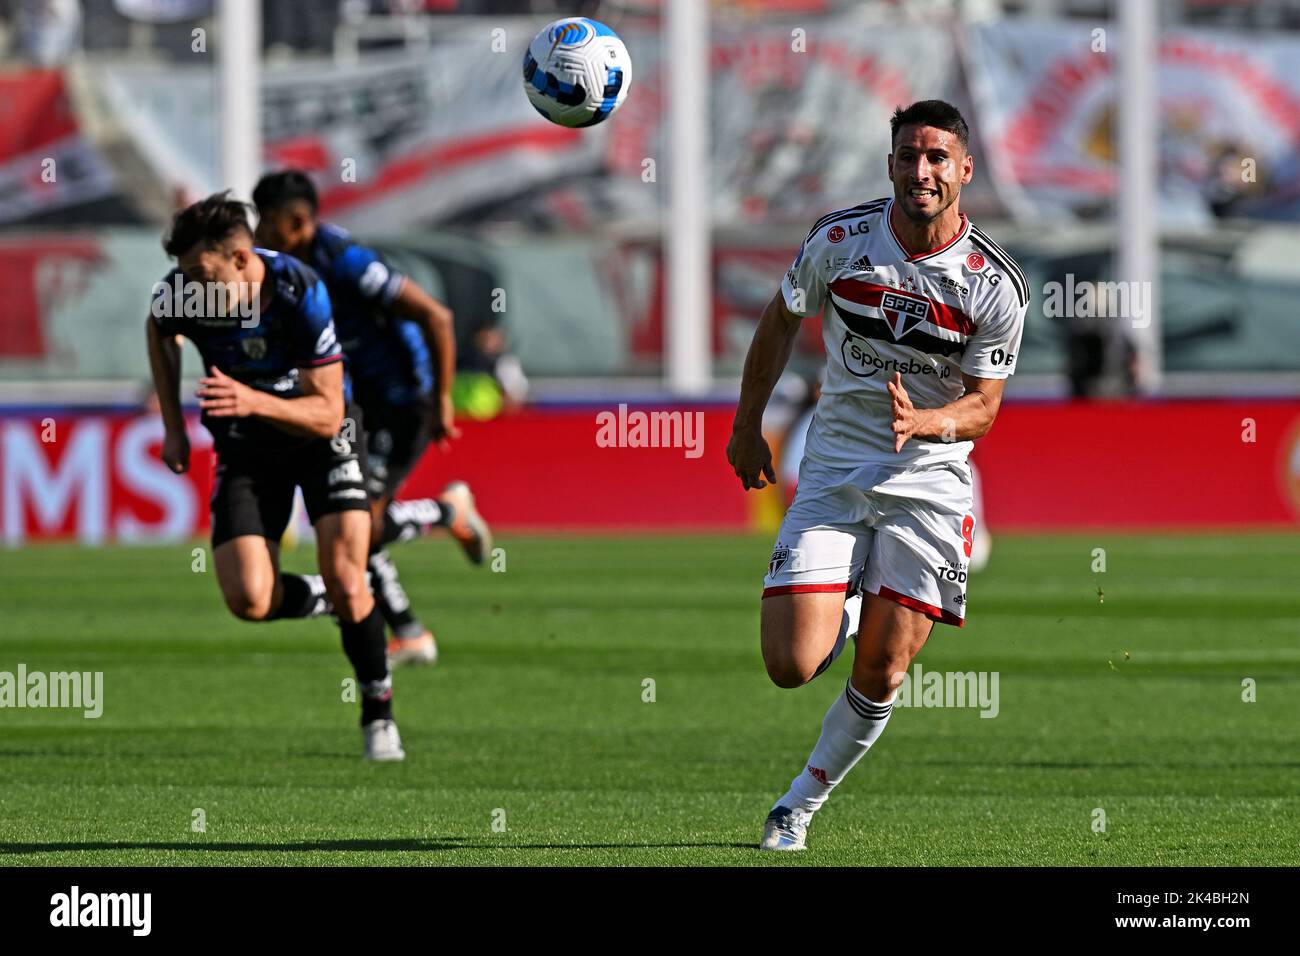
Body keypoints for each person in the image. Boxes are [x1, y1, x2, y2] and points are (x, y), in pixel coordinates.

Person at [726, 100, 1028, 850]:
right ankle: (850, 605)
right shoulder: (840, 240)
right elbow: (780, 317)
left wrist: (927, 422)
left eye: (935, 158)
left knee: (885, 670)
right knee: (789, 666)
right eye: (906, 155)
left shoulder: (994, 286)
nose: (919, 171)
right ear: (890, 162)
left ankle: (796, 806)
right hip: (833, 467)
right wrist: (745, 426)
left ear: (964, 169)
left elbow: (984, 408)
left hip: (928, 481)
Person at [145, 192, 404, 761]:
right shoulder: (183, 291)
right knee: (248, 599)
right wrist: (173, 428)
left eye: (201, 273)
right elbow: (158, 331)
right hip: (247, 445)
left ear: (240, 260)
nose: (191, 287)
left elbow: (328, 411)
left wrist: (252, 399)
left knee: (345, 569)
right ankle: (330, 597)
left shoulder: (298, 291)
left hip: (321, 439)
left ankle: (377, 710)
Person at [253, 171, 491, 668]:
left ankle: (449, 513)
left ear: (297, 222)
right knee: (350, 523)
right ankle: (408, 632)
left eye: (268, 226)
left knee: (365, 525)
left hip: (404, 401)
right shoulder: (287, 268)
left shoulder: (346, 262)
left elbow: (437, 317)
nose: (260, 236)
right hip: (352, 405)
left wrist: (443, 398)